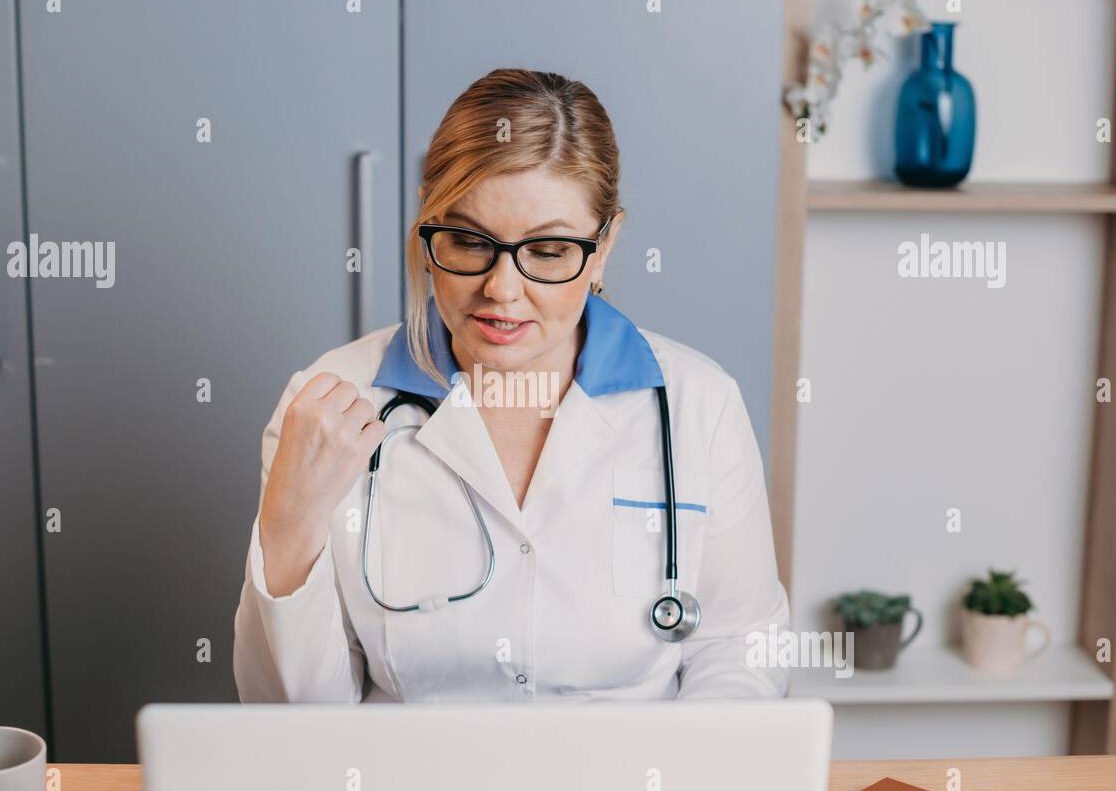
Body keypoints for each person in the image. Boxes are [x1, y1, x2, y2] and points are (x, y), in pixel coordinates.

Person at [234, 68, 790, 702]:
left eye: (548, 250)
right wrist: (290, 524)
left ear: (603, 247)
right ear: (427, 227)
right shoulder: (329, 405)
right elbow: (289, 724)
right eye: (470, 241)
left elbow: (739, 648)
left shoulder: (699, 405)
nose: (501, 289)